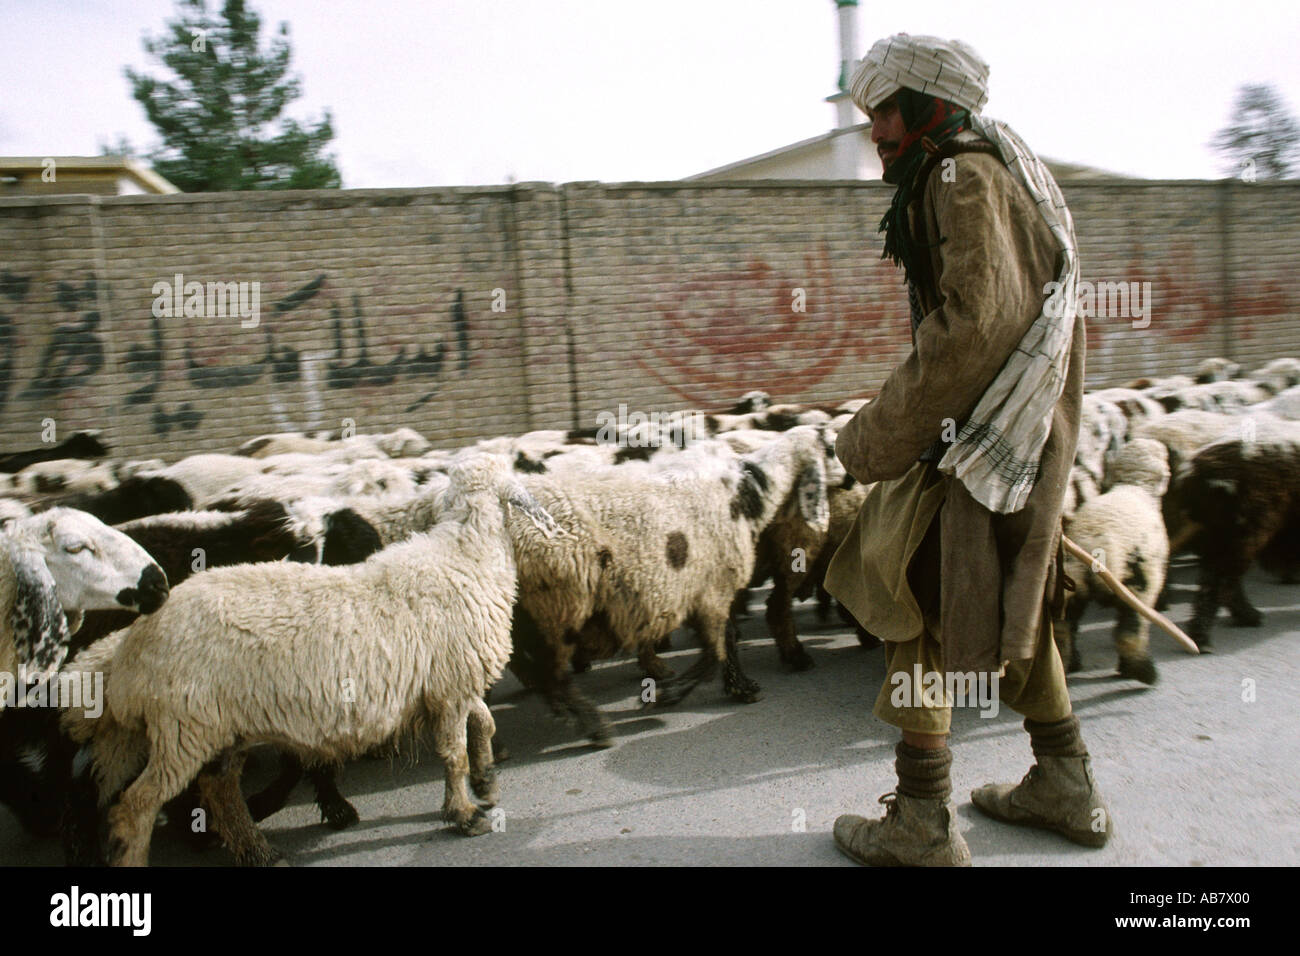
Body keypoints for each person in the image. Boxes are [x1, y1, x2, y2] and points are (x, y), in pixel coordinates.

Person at [824, 33, 1111, 866]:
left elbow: (970, 328)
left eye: (883, 110)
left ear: (925, 105)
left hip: (983, 436)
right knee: (1000, 596)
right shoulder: (985, 165)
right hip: (1018, 429)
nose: (875, 130)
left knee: (914, 589)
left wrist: (875, 435)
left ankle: (922, 820)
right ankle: (1065, 780)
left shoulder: (962, 174)